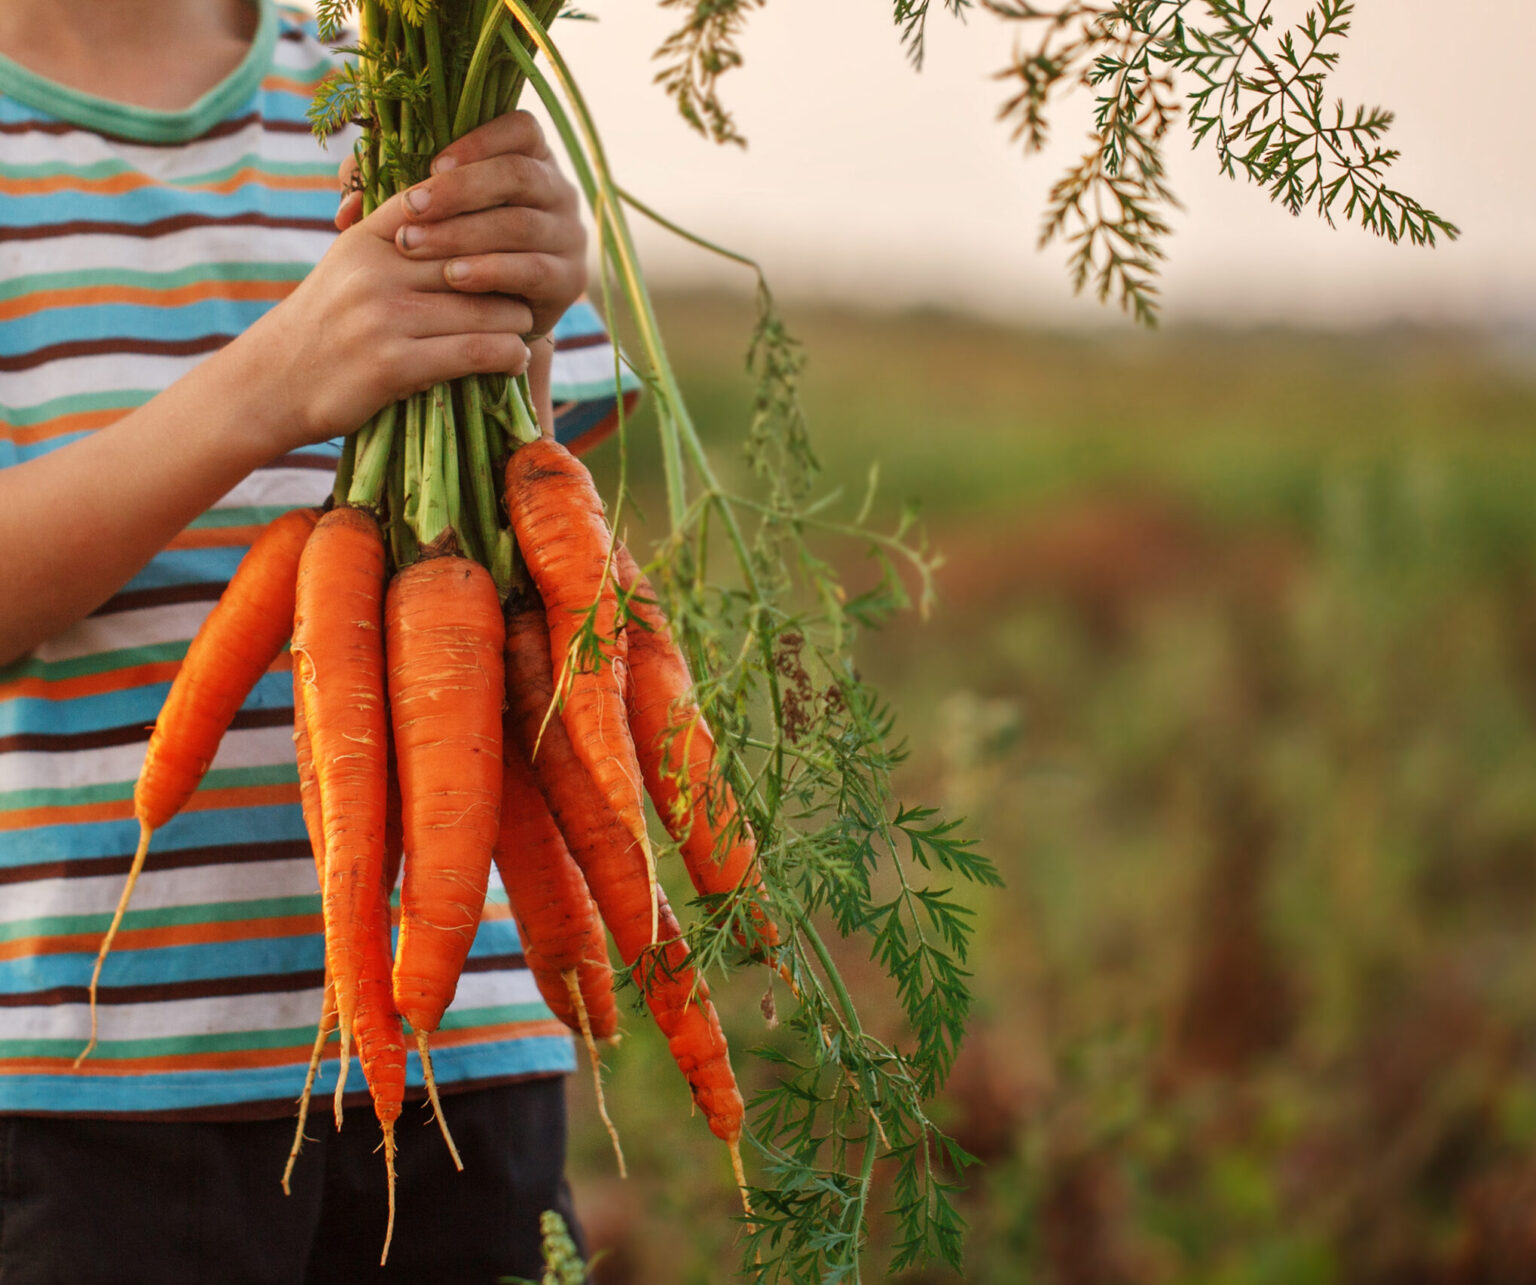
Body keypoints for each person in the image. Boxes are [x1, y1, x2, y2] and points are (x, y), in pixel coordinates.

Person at [0, 2, 633, 1280]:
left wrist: (533, 297)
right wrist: (271, 383)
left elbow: (530, 529)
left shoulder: (388, 94)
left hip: (464, 1044)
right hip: (96, 1081)